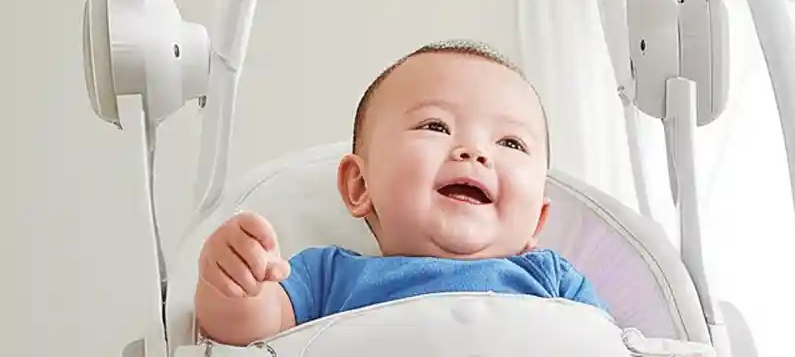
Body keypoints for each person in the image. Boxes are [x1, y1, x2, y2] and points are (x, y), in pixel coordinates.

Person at [194, 40, 608, 346]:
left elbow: (609, 346)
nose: (475, 152)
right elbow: (244, 331)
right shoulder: (328, 278)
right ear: (360, 186)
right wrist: (232, 285)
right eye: (435, 126)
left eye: (511, 143)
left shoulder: (554, 282)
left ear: (537, 219)